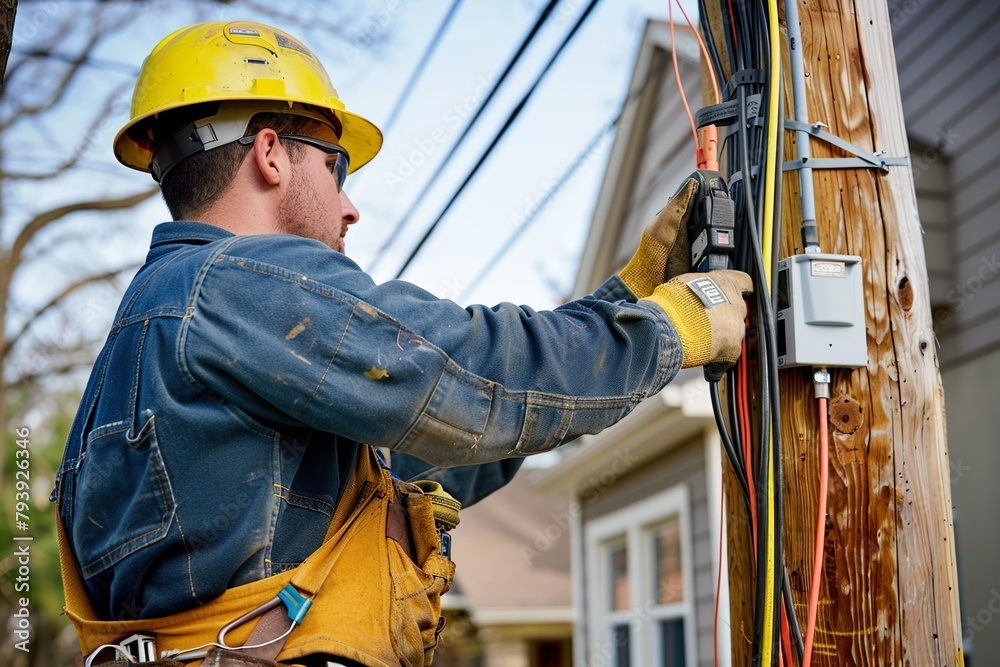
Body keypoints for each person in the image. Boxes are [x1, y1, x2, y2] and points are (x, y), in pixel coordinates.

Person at [52, 20, 752, 667]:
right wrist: (668, 330)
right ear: (270, 152)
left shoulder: (160, 328)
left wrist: (624, 302)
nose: (351, 206)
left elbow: (442, 445)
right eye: (336, 168)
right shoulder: (239, 283)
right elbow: (468, 374)